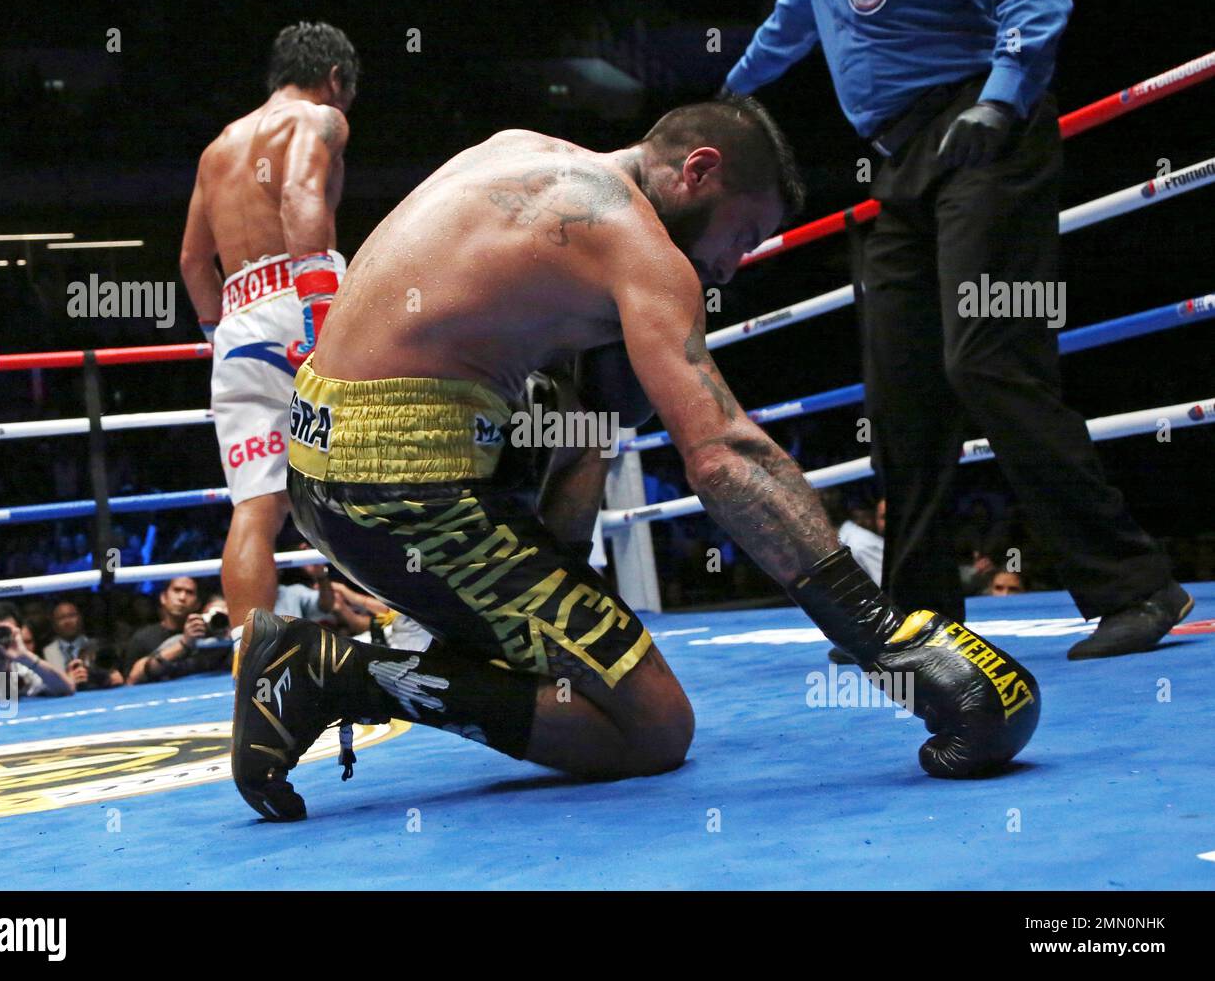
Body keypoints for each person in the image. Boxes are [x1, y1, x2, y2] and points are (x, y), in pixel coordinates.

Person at [230, 97, 1042, 822]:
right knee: (653, 726)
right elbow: (724, 455)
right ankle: (334, 671)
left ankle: (418, 647)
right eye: (743, 234)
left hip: (334, 462)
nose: (734, 264)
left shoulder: (528, 151)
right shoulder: (640, 246)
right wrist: (880, 635)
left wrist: (551, 614)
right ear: (699, 170)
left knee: (589, 401)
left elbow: (586, 436)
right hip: (398, 486)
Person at [723, 0, 1191, 661]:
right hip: (898, 164)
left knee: (988, 360)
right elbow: (786, 30)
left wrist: (1001, 98)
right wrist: (722, 102)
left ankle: (1135, 587)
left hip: (982, 137)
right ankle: (917, 611)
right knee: (900, 389)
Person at [179, 21, 359, 655]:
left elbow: (194, 263)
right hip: (302, 301)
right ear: (335, 78)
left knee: (258, 506)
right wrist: (318, 314)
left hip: (238, 325)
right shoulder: (319, 120)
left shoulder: (217, 148)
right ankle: (426, 621)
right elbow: (299, 194)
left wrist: (218, 336)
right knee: (388, 460)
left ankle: (250, 663)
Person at [127, 593, 234, 684]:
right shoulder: (182, 641)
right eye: (214, 617)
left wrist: (237, 633)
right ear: (201, 617)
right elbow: (135, 676)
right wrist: (184, 645)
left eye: (224, 617)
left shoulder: (240, 641)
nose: (219, 622)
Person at [120, 577, 200, 676]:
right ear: (163, 598)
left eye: (189, 592)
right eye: (177, 590)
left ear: (197, 603)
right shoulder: (142, 639)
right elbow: (130, 682)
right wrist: (184, 644)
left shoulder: (208, 635)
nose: (182, 597)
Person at [41, 600, 89, 670]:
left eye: (71, 615)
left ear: (80, 618)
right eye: (61, 618)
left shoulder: (95, 646)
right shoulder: (46, 652)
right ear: (54, 624)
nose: (67, 622)